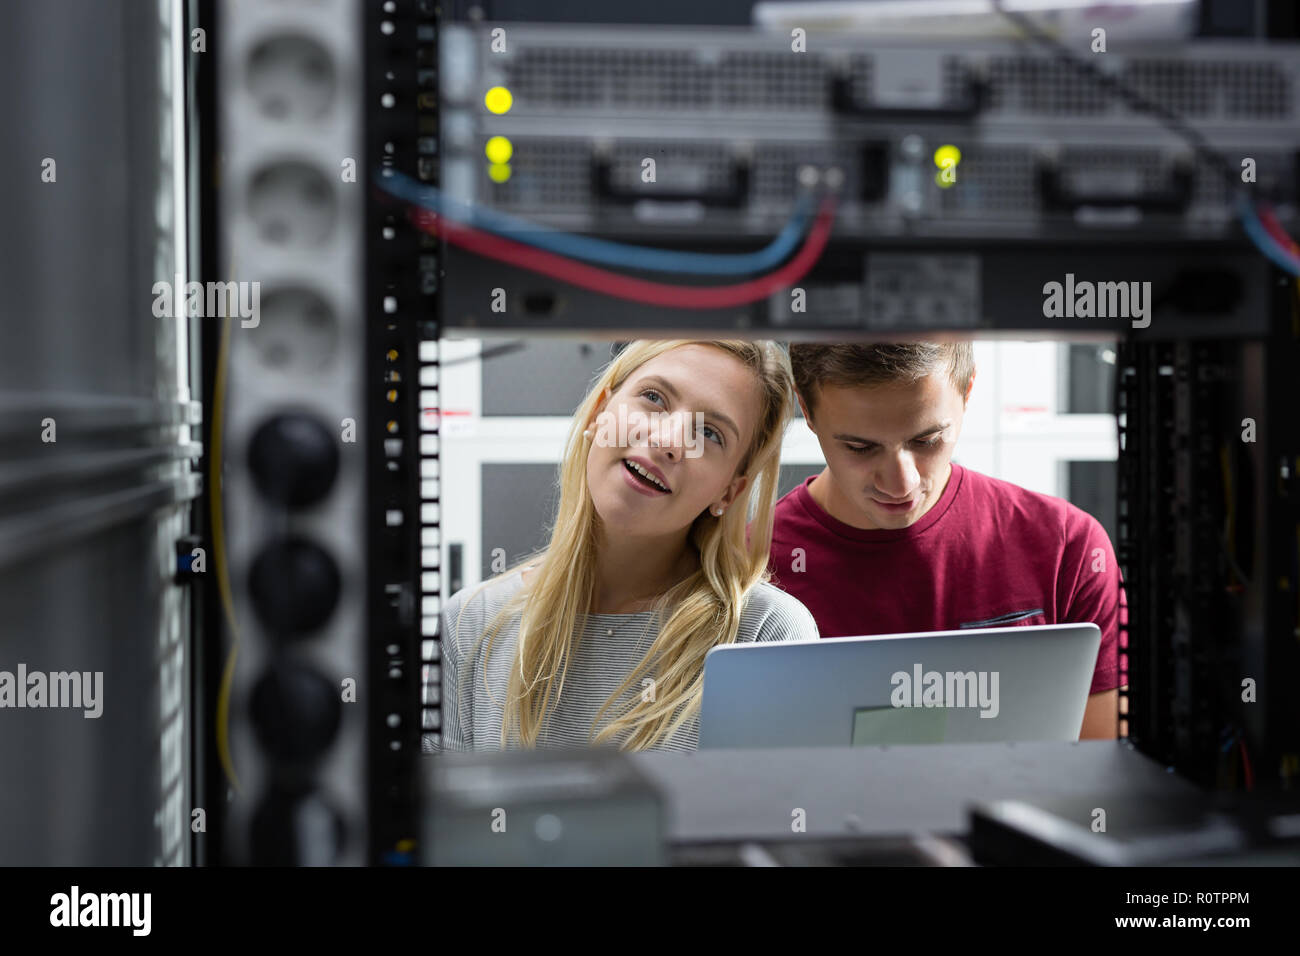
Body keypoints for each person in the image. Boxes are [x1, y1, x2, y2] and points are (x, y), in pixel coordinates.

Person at [437, 340, 819, 753]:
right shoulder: (471, 626)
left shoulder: (768, 638)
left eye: (709, 433)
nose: (669, 441)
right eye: (654, 398)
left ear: (729, 491)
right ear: (601, 411)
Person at [769, 342, 1122, 739]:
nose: (902, 483)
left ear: (968, 390)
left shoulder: (1067, 548)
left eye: (927, 440)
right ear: (807, 410)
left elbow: (1101, 770)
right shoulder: (752, 566)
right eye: (860, 448)